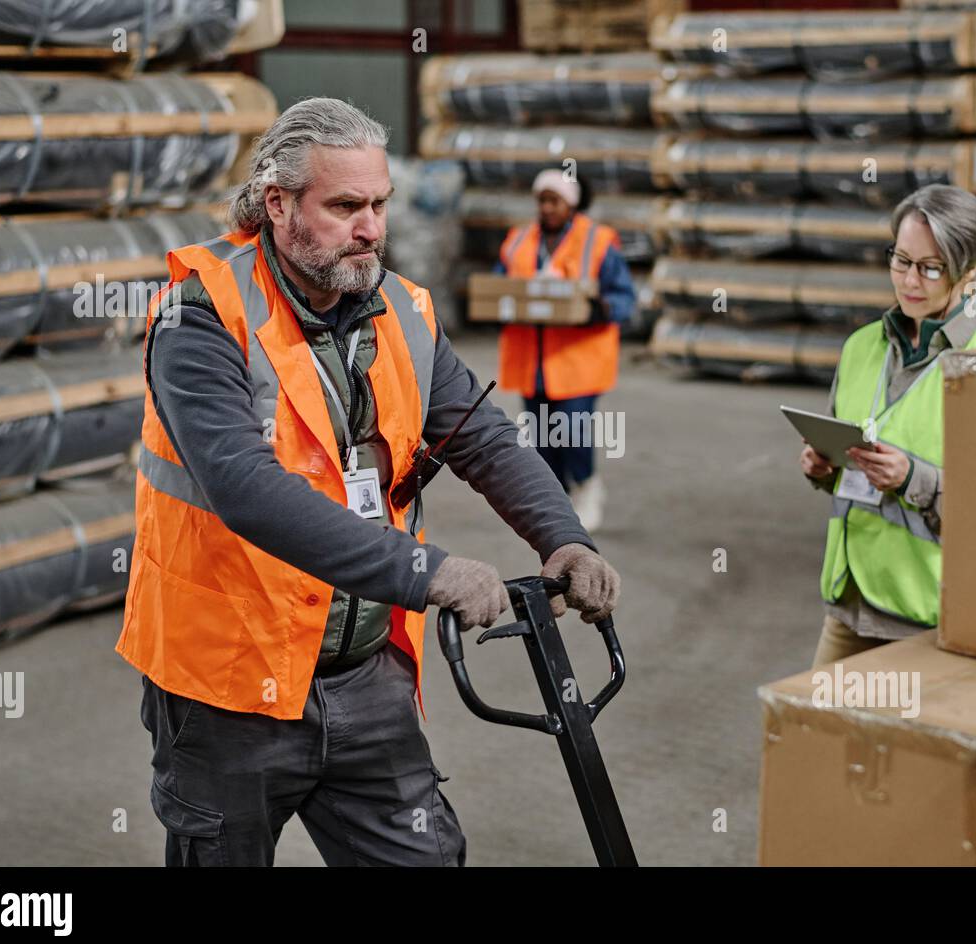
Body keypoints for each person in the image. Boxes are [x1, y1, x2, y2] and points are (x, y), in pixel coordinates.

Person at [115, 98, 622, 867]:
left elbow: (482, 436)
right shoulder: (202, 318)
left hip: (364, 676)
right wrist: (428, 571)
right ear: (278, 205)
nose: (373, 227)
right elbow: (246, 489)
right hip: (229, 686)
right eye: (346, 206)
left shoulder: (403, 312)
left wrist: (565, 537)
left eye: (379, 203)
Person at [800, 184, 976, 668]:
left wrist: (915, 480)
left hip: (933, 618)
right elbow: (845, 470)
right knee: (819, 740)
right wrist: (823, 467)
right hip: (849, 603)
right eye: (901, 260)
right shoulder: (860, 347)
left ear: (970, 271)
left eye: (931, 267)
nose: (910, 281)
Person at [493, 170, 635, 532]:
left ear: (571, 204)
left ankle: (587, 486)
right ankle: (558, 502)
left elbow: (624, 298)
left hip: (578, 361)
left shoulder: (598, 242)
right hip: (532, 361)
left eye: (554, 200)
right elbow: (497, 287)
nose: (546, 207)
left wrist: (598, 308)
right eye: (542, 200)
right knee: (542, 437)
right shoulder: (518, 240)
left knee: (572, 429)